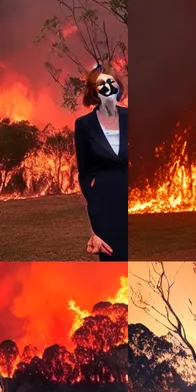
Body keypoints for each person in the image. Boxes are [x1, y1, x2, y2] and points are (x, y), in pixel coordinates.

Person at [73, 65, 128, 260]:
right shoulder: (84, 125)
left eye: (111, 82)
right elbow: (84, 174)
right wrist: (94, 229)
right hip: (105, 209)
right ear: (94, 91)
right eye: (101, 84)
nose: (107, 87)